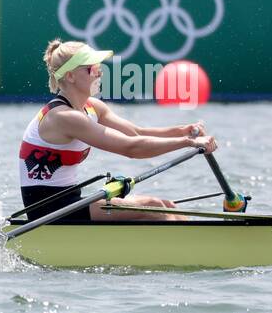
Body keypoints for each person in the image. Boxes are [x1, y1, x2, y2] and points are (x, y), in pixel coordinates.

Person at [20, 39, 218, 222]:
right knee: (155, 207)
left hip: (69, 200)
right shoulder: (64, 117)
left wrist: (183, 131)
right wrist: (189, 142)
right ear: (70, 76)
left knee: (168, 206)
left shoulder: (92, 107)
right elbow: (130, 148)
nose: (99, 73)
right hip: (47, 211)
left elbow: (136, 133)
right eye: (91, 68)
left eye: (99, 67)